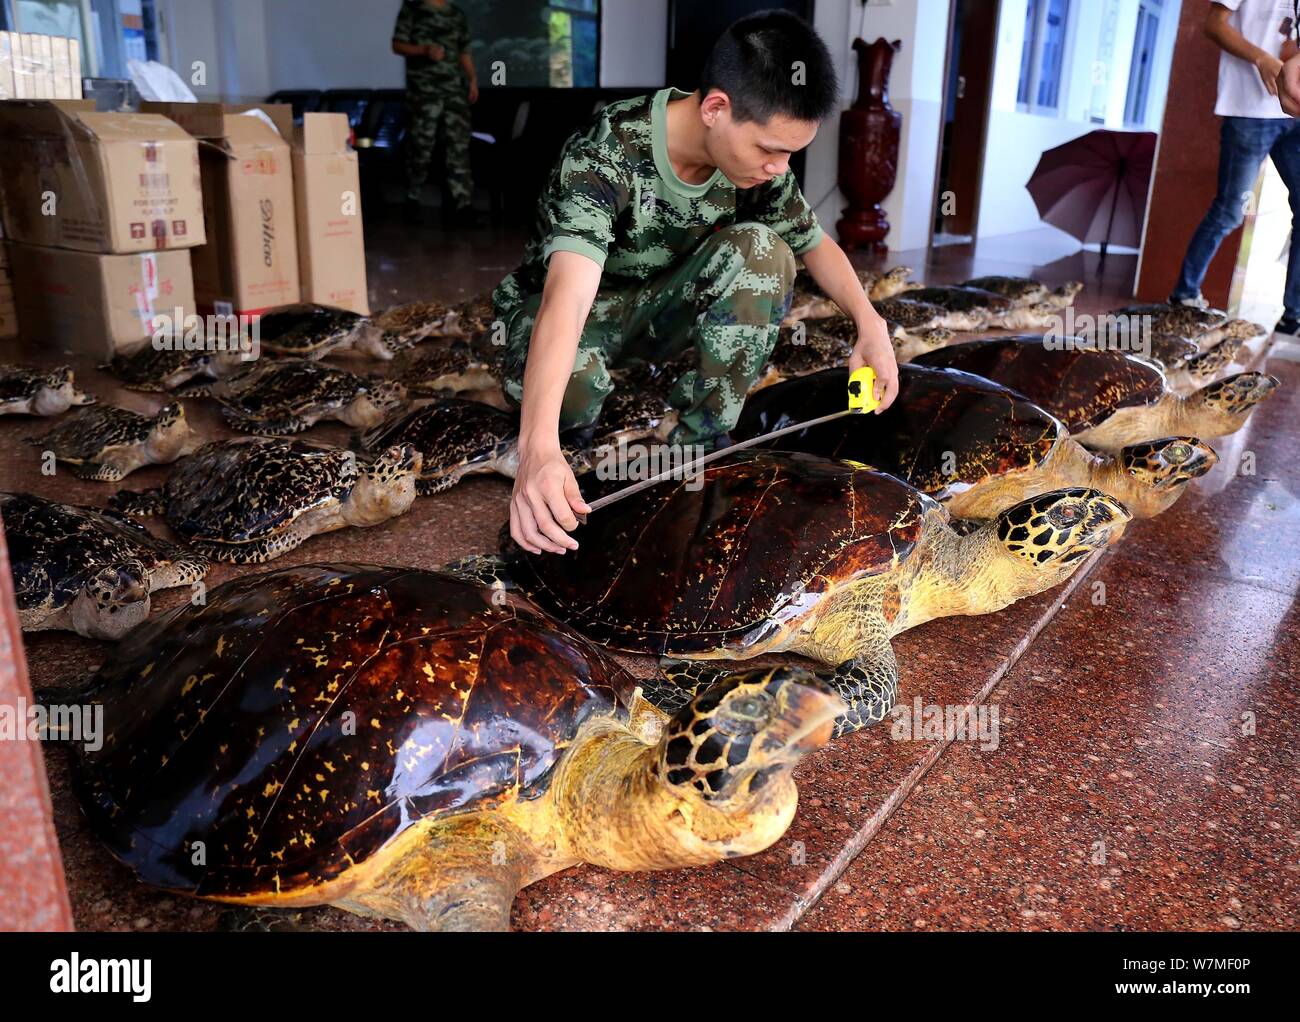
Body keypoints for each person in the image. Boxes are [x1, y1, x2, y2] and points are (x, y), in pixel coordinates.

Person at [493, 10, 899, 555]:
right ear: (715, 109)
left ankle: (700, 437)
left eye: (791, 155)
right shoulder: (605, 152)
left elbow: (813, 242)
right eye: (769, 150)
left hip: (658, 311)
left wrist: (871, 325)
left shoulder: (756, 166)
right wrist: (537, 447)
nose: (779, 168)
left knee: (764, 250)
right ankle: (565, 432)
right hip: (575, 311)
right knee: (575, 393)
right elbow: (566, 300)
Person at [1170, 0, 1300, 335]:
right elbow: (1213, 24)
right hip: (1249, 110)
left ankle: (1293, 316)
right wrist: (1262, 58)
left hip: (1295, 114)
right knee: (1230, 210)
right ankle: (1184, 296)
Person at [391, 0, 480, 226]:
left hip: (454, 91)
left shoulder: (456, 14)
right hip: (425, 92)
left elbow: (464, 51)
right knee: (421, 146)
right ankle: (412, 200)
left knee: (458, 146)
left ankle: (463, 205)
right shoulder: (413, 8)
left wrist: (472, 79)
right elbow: (397, 45)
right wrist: (424, 50)